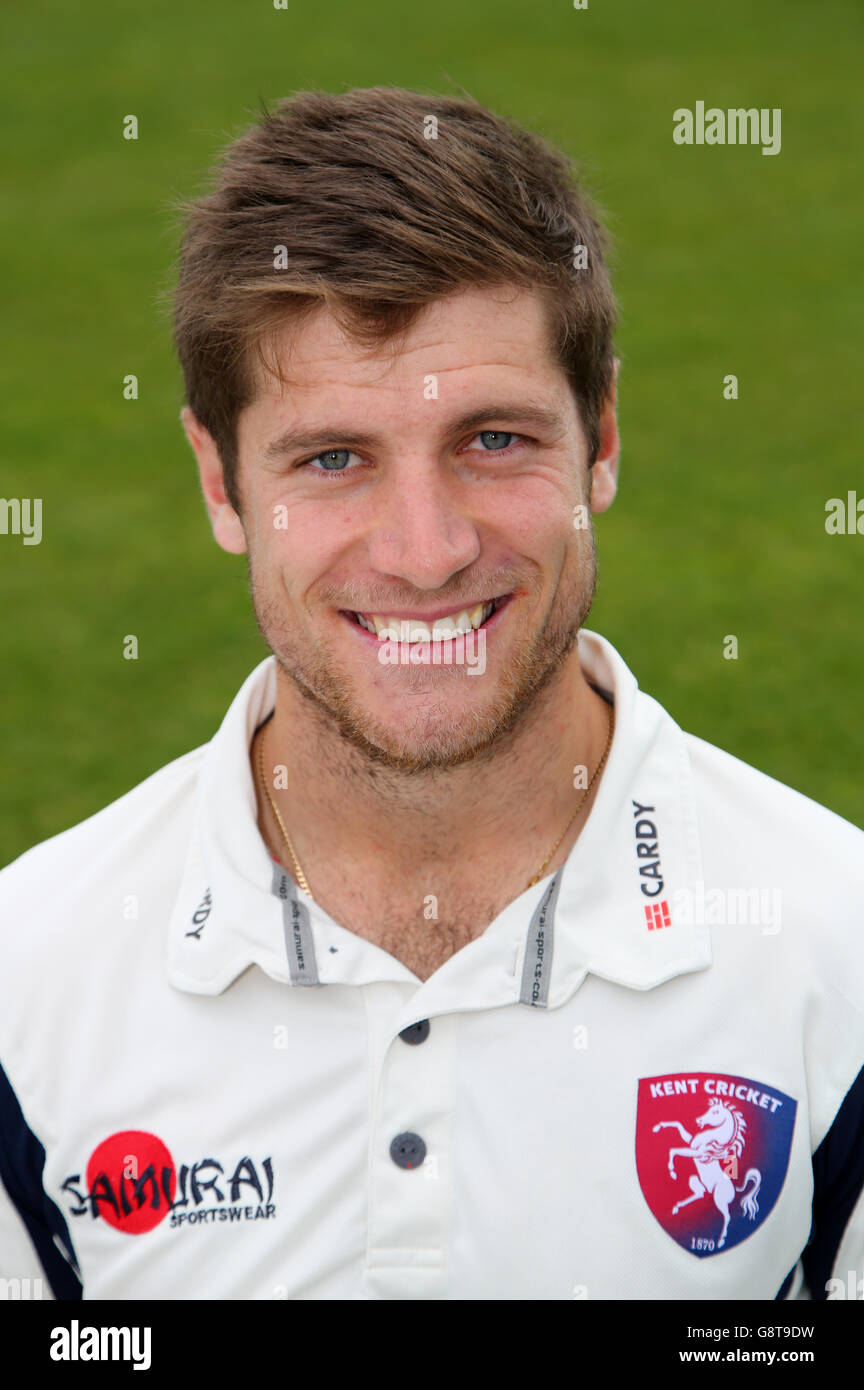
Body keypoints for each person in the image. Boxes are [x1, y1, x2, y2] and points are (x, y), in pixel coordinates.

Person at [1, 86, 862, 1302]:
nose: (425, 550)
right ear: (220, 480)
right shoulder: (25, 983)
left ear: (602, 437)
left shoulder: (841, 953)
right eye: (334, 458)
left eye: (495, 440)